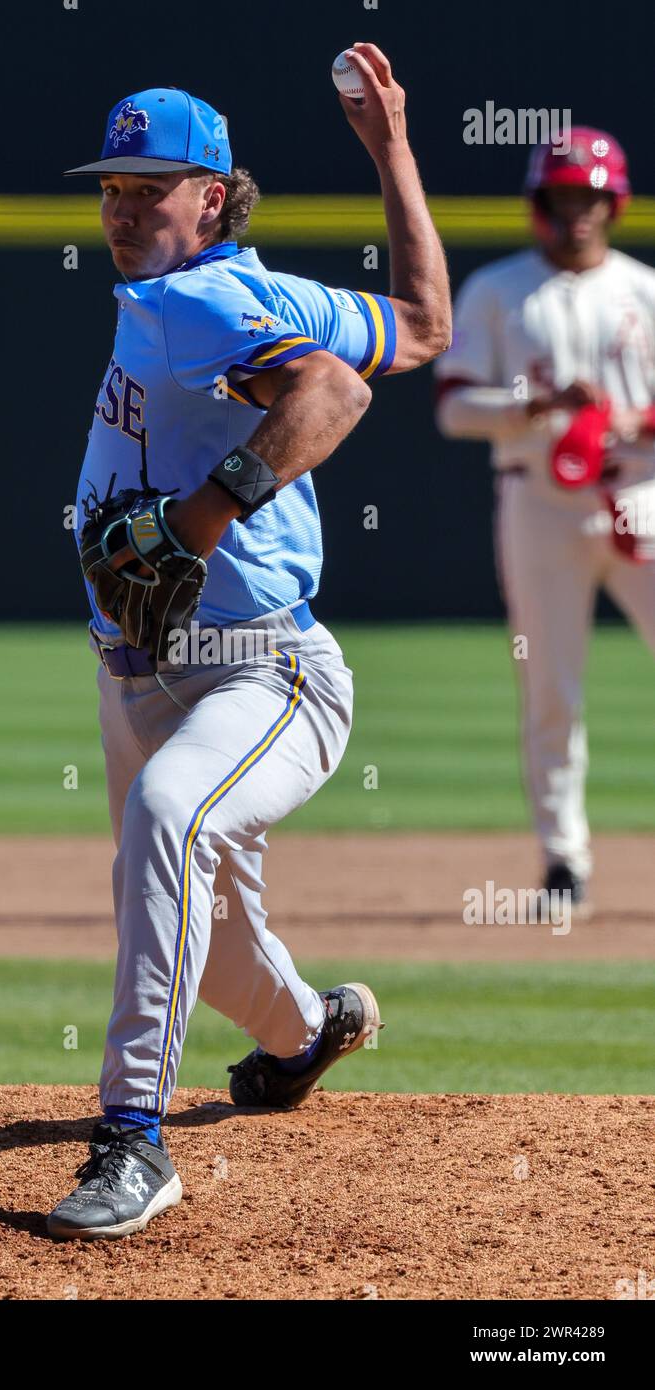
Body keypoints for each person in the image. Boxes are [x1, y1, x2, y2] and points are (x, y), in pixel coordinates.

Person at [47, 44, 450, 1242]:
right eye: (112, 187)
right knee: (216, 954)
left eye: (150, 187)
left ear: (211, 196)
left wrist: (199, 514)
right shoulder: (259, 289)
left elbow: (335, 393)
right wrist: (392, 153)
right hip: (145, 668)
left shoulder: (195, 300)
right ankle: (312, 1034)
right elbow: (421, 324)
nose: (123, 208)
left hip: (258, 670)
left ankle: (131, 1137)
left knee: (168, 818)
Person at [435, 127, 655, 915]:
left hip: (642, 495)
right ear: (541, 204)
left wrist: (630, 419)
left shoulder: (643, 288)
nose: (577, 213)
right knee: (550, 686)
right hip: (537, 502)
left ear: (613, 203)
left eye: (590, 197)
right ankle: (565, 861)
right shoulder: (498, 289)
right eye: (563, 197)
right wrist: (532, 405)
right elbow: (453, 407)